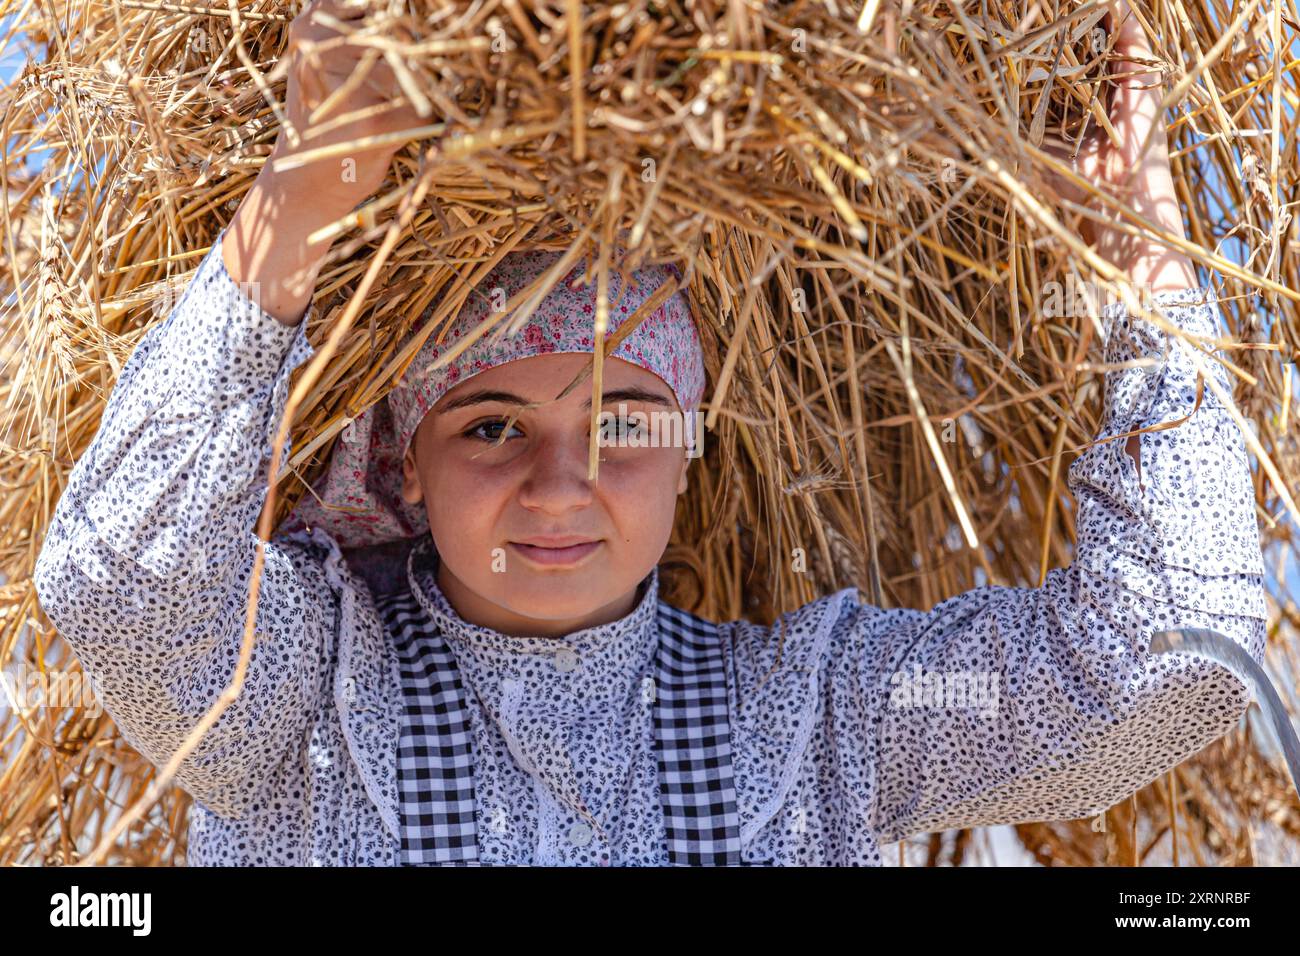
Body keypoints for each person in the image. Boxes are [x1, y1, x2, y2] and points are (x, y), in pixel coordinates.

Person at [33, 0, 1267, 865]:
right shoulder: (296, 700)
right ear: (404, 457)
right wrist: (298, 203)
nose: (561, 486)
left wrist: (1143, 286)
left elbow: (1174, 656)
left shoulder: (822, 722)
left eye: (625, 420)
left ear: (692, 439)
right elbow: (117, 582)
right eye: (491, 425)